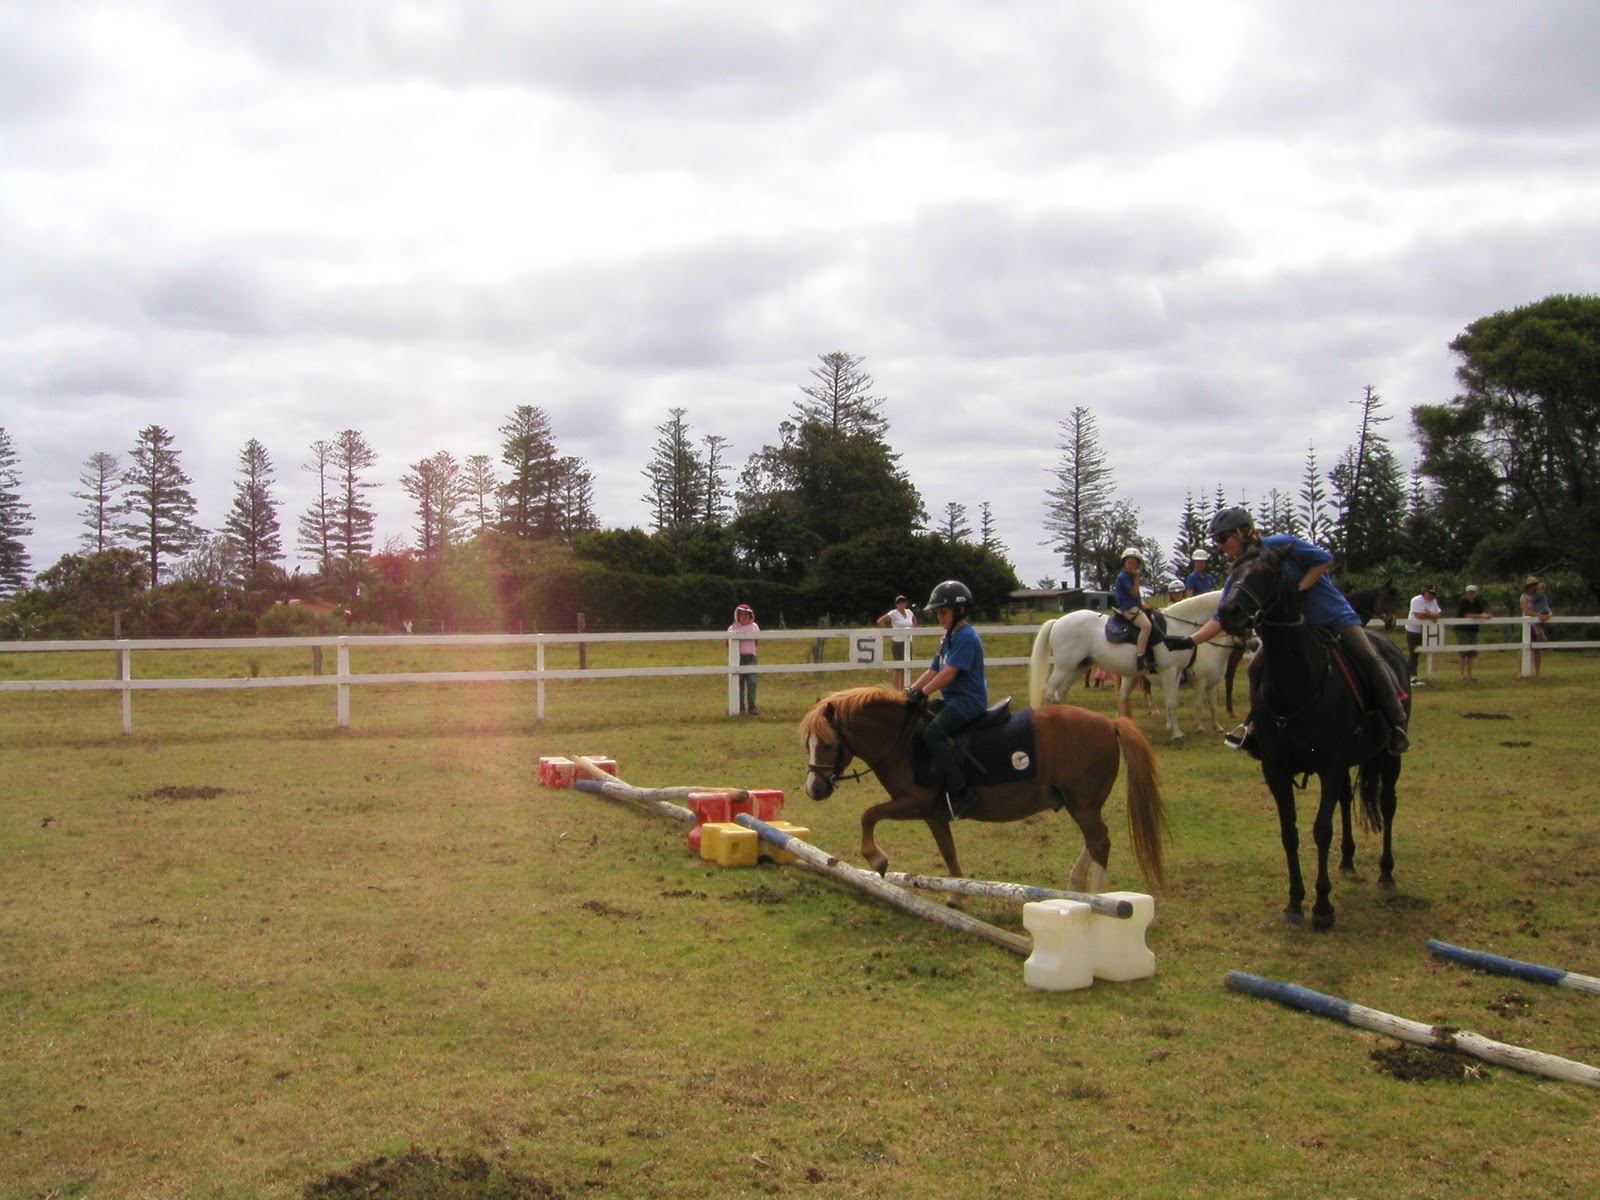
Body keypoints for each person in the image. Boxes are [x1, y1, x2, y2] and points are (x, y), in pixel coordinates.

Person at [1187, 506, 1410, 755]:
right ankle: (1255, 727)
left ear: (1243, 531)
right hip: (1293, 630)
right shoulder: (1241, 570)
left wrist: (1300, 588)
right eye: (1215, 541)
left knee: (1368, 657)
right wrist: (1190, 641)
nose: (1218, 546)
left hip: (1331, 617)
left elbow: (1323, 559)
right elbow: (1220, 617)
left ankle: (1396, 723)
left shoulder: (1281, 544)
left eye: (1222, 538)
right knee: (1254, 668)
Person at [906, 580, 987, 820]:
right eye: (937, 613)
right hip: (953, 701)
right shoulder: (948, 638)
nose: (939, 617)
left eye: (943, 612)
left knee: (933, 733)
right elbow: (933, 670)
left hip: (968, 702)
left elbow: (949, 673)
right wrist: (910, 690)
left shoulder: (966, 637)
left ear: (959, 610)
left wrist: (923, 693)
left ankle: (960, 790)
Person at [1112, 548, 1155, 673]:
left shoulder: (1129, 576)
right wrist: (1137, 578)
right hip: (1127, 607)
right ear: (1124, 563)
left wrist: (1143, 604)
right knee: (1146, 626)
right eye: (1129, 563)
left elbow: (1137, 596)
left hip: (1135, 605)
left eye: (1134, 563)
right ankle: (1140, 656)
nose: (1131, 565)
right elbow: (1134, 592)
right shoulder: (1124, 577)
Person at [876, 594, 917, 688]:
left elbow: (914, 620)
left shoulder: (909, 612)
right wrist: (889, 632)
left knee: (907, 665)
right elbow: (880, 621)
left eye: (902, 602)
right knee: (898, 667)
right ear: (896, 604)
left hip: (908, 641)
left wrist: (913, 630)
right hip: (897, 641)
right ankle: (895, 687)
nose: (901, 604)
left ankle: (903, 687)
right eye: (899, 603)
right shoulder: (893, 613)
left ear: (905, 603)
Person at [1404, 585, 1442, 684]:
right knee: (1414, 653)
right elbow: (1418, 615)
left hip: (1427, 631)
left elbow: (1438, 614)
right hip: (1414, 630)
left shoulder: (1433, 601)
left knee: (1427, 651)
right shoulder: (1416, 600)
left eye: (1433, 594)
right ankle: (1412, 676)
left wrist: (1428, 614)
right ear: (1425, 592)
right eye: (1430, 593)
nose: (1431, 596)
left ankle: (1419, 675)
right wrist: (1431, 616)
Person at [727, 603, 760, 714]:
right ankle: (739, 706)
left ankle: (752, 706)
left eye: (746, 615)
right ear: (737, 616)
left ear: (750, 616)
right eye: (741, 615)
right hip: (738, 658)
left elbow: (756, 641)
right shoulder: (732, 628)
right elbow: (727, 643)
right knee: (738, 682)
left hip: (751, 658)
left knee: (752, 681)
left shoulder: (754, 627)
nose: (744, 617)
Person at [1456, 584, 1491, 682]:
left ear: (1476, 593)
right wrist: (1481, 617)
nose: (1471, 594)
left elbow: (1481, 612)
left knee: (1471, 653)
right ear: (1466, 593)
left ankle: (1469, 674)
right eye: (1469, 592)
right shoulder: (1463, 602)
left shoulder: (1477, 602)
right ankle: (1462, 674)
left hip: (1473, 629)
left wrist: (1486, 615)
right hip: (1462, 629)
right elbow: (1467, 615)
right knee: (1463, 652)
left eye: (1473, 592)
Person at [1519, 575, 1552, 678]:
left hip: (1538, 622)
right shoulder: (1524, 597)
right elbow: (1526, 610)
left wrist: (1547, 615)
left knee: (1537, 648)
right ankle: (1520, 672)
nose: (1533, 588)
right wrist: (1537, 615)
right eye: (1531, 585)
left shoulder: (1541, 596)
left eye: (1534, 585)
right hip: (1528, 624)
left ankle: (1537, 672)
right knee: (1524, 648)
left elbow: (1547, 608)